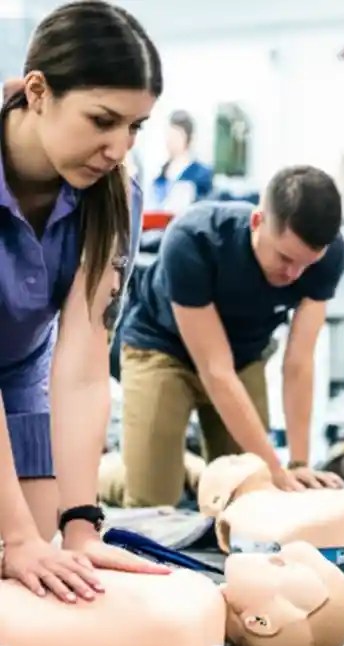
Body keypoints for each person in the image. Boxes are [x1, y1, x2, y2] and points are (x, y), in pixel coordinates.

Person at [0, 0, 169, 603]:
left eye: (135, 127)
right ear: (39, 91)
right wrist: (15, 537)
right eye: (102, 120)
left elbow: (81, 366)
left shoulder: (114, 193)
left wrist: (79, 526)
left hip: (19, 371)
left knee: (44, 552)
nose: (118, 147)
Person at [113, 165, 344, 508]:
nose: (294, 274)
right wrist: (273, 467)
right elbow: (215, 369)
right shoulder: (193, 239)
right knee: (154, 501)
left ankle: (187, 470)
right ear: (258, 222)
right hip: (161, 349)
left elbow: (298, 361)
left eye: (306, 264)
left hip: (244, 354)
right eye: (285, 257)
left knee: (250, 494)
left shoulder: (328, 254)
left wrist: (297, 464)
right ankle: (114, 474)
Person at [147, 109, 213, 211]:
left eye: (176, 136)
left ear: (187, 137)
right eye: (169, 135)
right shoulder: (161, 172)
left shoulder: (201, 174)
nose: (170, 141)